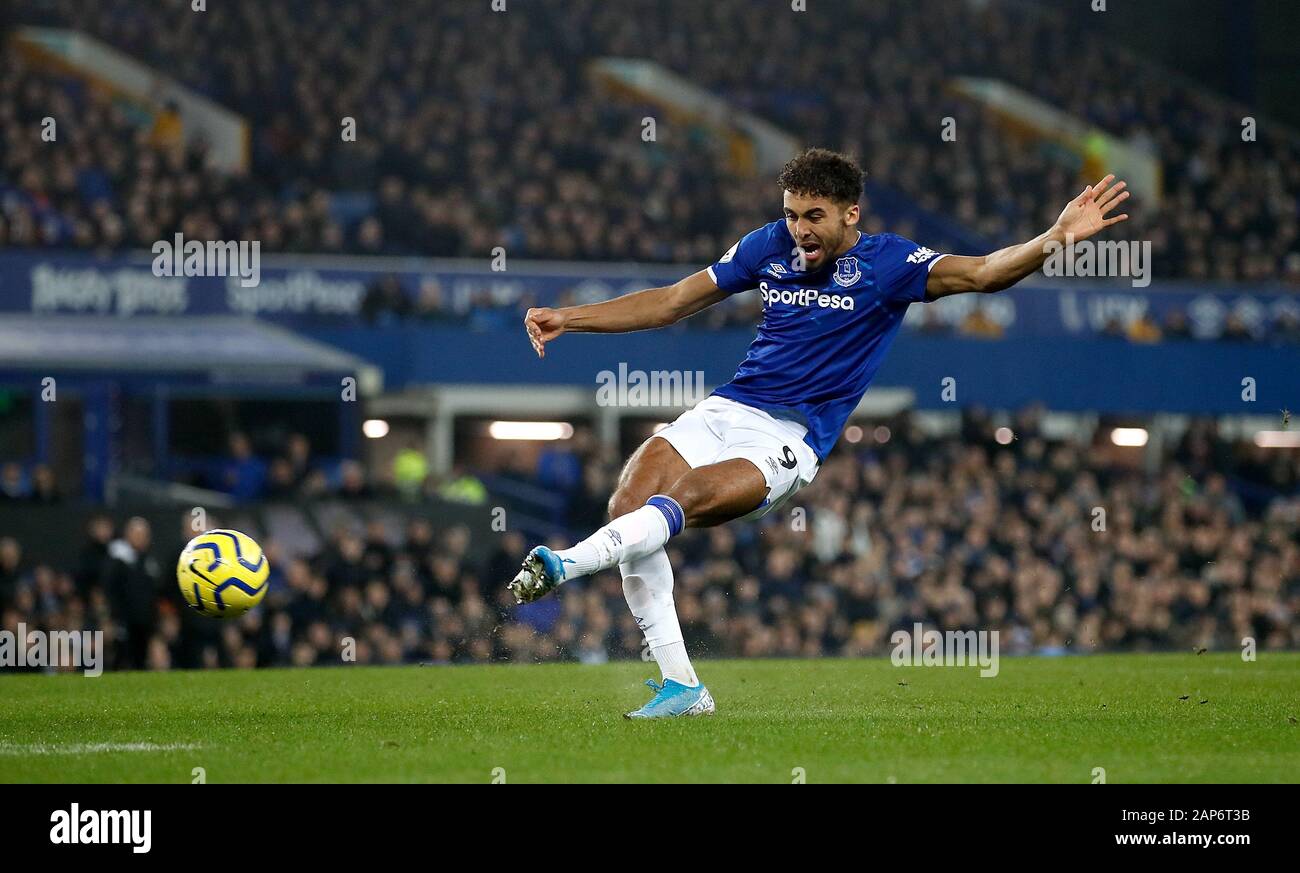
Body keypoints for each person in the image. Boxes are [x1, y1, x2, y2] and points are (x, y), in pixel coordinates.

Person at [510, 148, 1130, 718]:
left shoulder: (888, 264)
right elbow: (673, 300)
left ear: (850, 213)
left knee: (685, 499)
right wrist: (570, 317)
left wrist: (1053, 239)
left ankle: (566, 563)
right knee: (627, 506)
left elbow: (984, 273)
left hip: (787, 438)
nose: (799, 229)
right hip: (726, 409)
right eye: (791, 214)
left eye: (813, 216)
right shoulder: (767, 245)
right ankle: (683, 688)